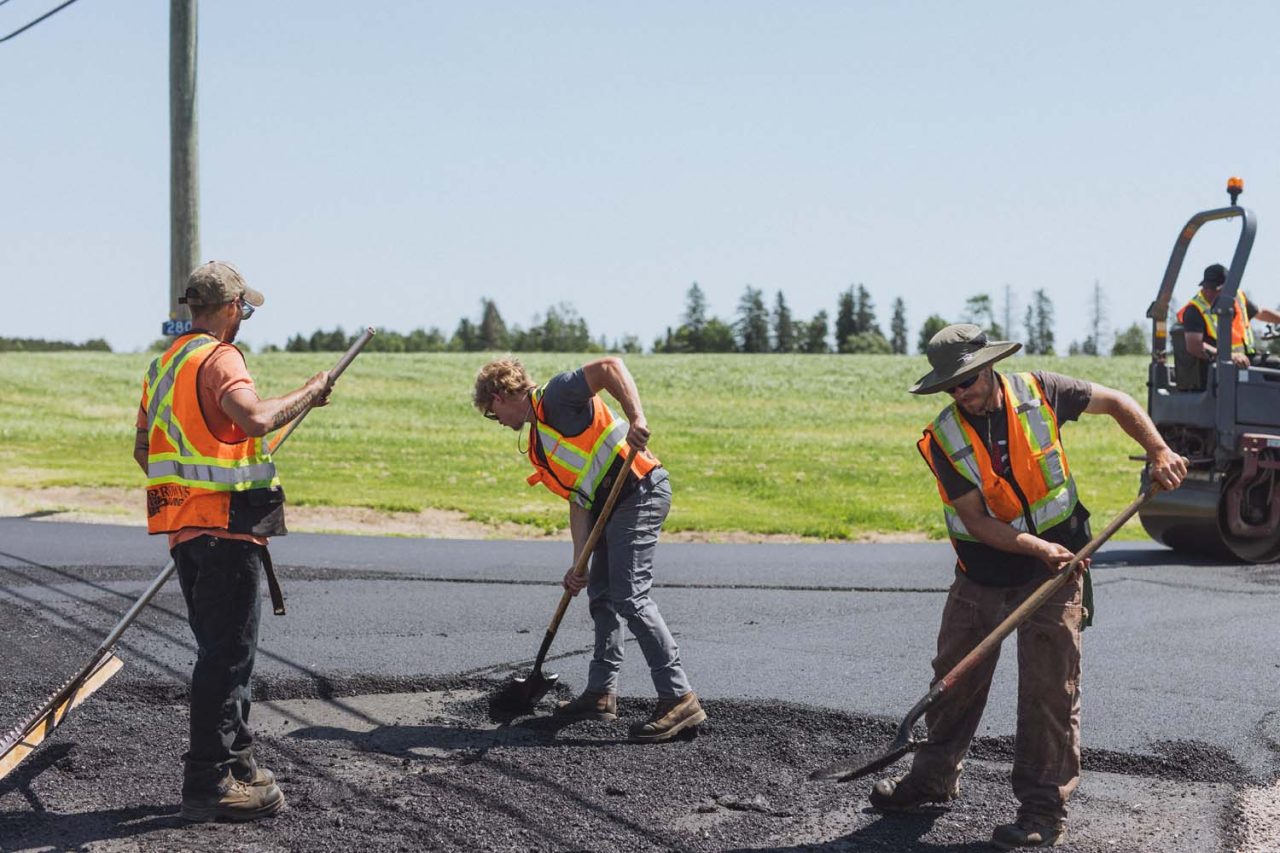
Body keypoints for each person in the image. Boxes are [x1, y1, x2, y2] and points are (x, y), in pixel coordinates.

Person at [868, 324, 1186, 849]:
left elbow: (1119, 402)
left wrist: (1157, 450)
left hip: (1058, 572)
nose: (960, 394)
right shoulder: (943, 437)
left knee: (1048, 694)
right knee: (954, 678)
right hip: (984, 574)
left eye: (966, 382)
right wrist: (1032, 546)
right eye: (950, 387)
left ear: (987, 367)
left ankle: (1043, 811)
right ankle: (932, 777)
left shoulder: (1043, 391)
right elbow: (975, 520)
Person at [133, 261, 331, 822]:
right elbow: (254, 419)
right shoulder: (220, 357)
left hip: (186, 532)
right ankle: (209, 782)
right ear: (228, 308)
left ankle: (239, 763)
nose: (244, 319)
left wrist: (200, 475)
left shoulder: (164, 364)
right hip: (224, 530)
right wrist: (310, 392)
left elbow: (144, 449)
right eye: (244, 309)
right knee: (225, 658)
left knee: (227, 654)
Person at [474, 355, 706, 742]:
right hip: (609, 507)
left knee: (631, 597)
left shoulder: (557, 395)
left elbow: (609, 367)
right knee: (601, 597)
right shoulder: (539, 440)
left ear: (500, 395)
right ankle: (601, 694)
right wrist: (578, 563)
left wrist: (637, 418)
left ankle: (678, 697)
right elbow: (580, 498)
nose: (494, 421)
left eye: (490, 412)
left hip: (640, 490)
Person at [1178, 262, 1280, 367]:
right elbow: (1194, 346)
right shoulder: (1194, 309)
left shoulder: (1238, 297)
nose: (1208, 293)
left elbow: (1261, 313)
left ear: (1228, 287)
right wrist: (1228, 356)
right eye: (1206, 288)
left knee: (1275, 365)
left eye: (1214, 289)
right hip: (1218, 366)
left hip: (1245, 359)